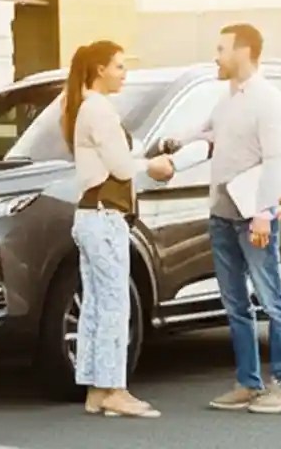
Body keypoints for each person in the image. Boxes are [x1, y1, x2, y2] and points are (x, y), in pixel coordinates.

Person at [160, 23, 281, 415]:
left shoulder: (268, 101)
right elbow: (211, 133)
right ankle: (247, 383)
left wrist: (263, 214)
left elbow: (275, 161)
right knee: (235, 304)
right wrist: (179, 143)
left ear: (244, 51)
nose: (216, 56)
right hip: (221, 215)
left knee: (272, 301)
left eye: (221, 48)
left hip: (252, 218)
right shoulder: (228, 99)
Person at [61, 40, 175, 419]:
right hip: (104, 216)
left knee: (95, 303)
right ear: (99, 70)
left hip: (90, 217)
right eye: (119, 66)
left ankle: (96, 389)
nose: (124, 73)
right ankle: (115, 390)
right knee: (113, 304)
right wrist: (152, 166)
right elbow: (123, 168)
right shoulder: (99, 109)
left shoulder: (83, 107)